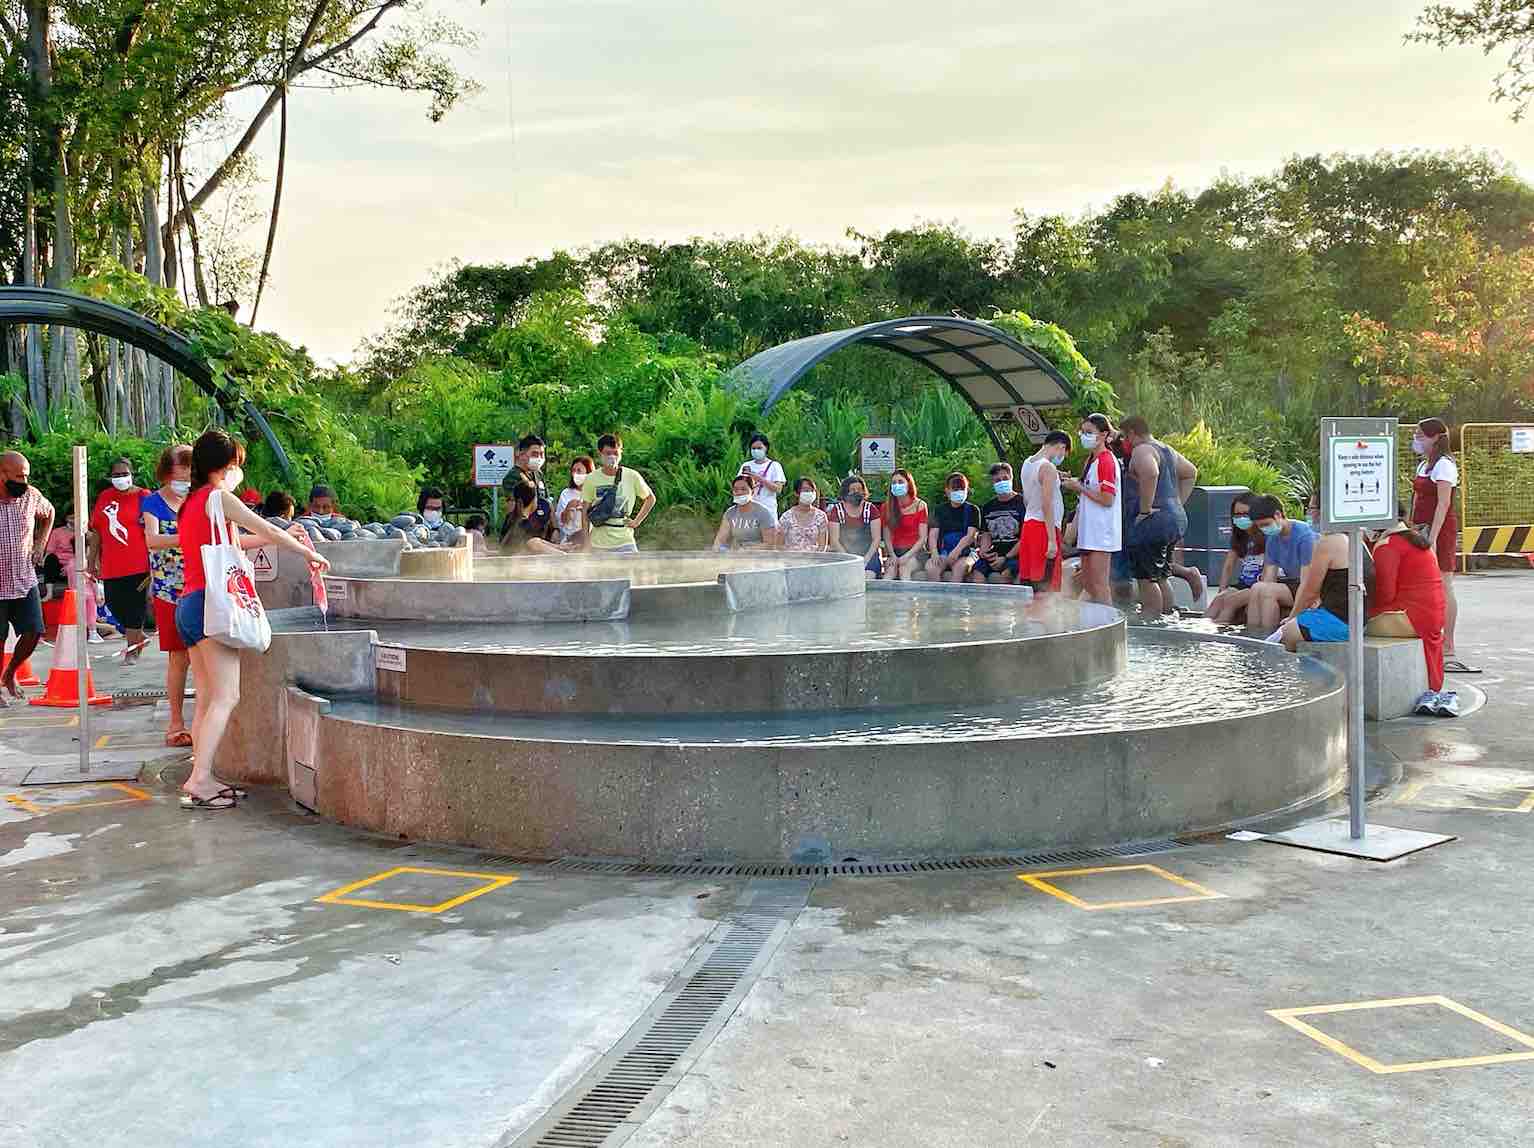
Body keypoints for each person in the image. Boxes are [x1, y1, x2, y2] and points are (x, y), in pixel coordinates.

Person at [174, 430, 329, 809]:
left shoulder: (192, 502)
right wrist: (307, 553)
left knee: (208, 698)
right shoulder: (219, 497)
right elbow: (266, 527)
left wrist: (282, 537)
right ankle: (199, 779)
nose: (237, 472)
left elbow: (235, 542)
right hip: (212, 605)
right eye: (235, 465)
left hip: (190, 605)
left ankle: (200, 773)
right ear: (225, 465)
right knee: (227, 696)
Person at [1366, 511, 1450, 714]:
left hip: (1409, 617)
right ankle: (1434, 689)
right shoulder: (1415, 539)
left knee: (1350, 620)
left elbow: (1385, 594)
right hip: (1432, 617)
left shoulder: (1388, 545)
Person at [141, 444, 194, 746]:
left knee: (205, 657)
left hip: (201, 585)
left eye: (190, 472)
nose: (185, 479)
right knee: (179, 657)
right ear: (165, 473)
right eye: (180, 472)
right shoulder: (153, 502)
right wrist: (188, 537)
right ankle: (176, 721)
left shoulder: (199, 499)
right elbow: (152, 540)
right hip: (169, 590)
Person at [1410, 417, 1472, 674]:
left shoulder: (1444, 465)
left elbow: (1443, 504)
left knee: (1445, 583)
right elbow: (1416, 498)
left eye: (1420, 435)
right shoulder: (1424, 464)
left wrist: (1433, 537)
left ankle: (1449, 643)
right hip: (1420, 527)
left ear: (1435, 437)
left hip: (1440, 529)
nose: (1416, 440)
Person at [1119, 415, 1196, 616]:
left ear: (1132, 433)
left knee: (1146, 578)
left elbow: (1150, 473)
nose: (1124, 442)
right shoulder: (1166, 449)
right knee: (1160, 575)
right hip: (1175, 519)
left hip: (1153, 523)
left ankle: (1151, 619)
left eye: (1124, 437)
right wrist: (1177, 502)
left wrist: (1145, 510)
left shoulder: (1142, 450)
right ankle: (1166, 617)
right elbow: (1190, 472)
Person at [0, 451, 54, 704]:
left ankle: (10, 673)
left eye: (26, 476)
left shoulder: (31, 496)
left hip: (23, 577)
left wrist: (41, 543)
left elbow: (49, 513)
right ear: (2, 475)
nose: (24, 481)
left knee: (34, 631)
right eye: (19, 476)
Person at [87, 456, 150, 664]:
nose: (121, 478)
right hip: (112, 564)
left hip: (139, 563)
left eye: (124, 474)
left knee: (135, 608)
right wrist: (91, 561)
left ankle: (132, 650)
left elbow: (152, 528)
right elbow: (97, 531)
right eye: (116, 475)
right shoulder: (105, 496)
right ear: (110, 477)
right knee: (113, 603)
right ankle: (139, 638)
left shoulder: (143, 496)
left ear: (132, 474)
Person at [1275, 530, 1373, 652]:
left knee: (1286, 634)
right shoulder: (1358, 541)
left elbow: (1310, 593)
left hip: (1340, 623)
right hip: (1359, 623)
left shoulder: (1329, 541)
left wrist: (1292, 617)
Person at [1061, 414, 1121, 605]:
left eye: (1089, 432)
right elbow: (1089, 487)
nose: (1083, 436)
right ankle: (1093, 618)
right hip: (1089, 531)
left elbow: (1107, 499)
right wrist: (1072, 481)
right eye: (1082, 432)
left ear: (1103, 435)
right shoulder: (1091, 460)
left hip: (1102, 532)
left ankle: (1109, 620)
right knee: (1087, 583)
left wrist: (1079, 488)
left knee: (1099, 585)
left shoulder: (1106, 460)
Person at [1245, 495, 1317, 634]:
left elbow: (1307, 581)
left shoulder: (1305, 536)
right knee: (1257, 588)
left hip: (1311, 586)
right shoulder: (1273, 538)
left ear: (1278, 515)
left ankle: (1269, 636)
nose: (1264, 529)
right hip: (1293, 583)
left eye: (1265, 524)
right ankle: (1253, 637)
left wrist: (1294, 615)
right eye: (1260, 526)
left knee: (1268, 592)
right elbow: (1268, 578)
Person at [580, 433, 655, 555]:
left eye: (615, 453)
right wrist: (586, 541)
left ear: (621, 453)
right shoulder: (591, 478)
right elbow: (584, 512)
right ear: (600, 453)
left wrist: (637, 521)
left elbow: (650, 498)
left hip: (625, 541)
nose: (612, 457)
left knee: (634, 567)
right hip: (598, 542)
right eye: (608, 453)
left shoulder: (632, 476)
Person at [1019, 432, 1071, 592]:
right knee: (1046, 587)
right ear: (1061, 447)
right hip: (1044, 528)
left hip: (1029, 525)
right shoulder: (1048, 468)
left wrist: (1057, 476)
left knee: (1031, 584)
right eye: (1063, 454)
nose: (1061, 458)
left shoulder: (1028, 463)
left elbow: (1028, 497)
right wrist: (1052, 540)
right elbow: (1046, 504)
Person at [1205, 493, 1266, 625]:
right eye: (1237, 514)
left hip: (1259, 586)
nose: (1241, 518)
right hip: (1243, 584)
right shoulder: (1240, 537)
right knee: (1219, 599)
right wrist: (1222, 590)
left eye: (1245, 514)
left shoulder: (1266, 535)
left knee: (1231, 601)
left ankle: (1219, 629)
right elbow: (1228, 566)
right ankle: (1202, 628)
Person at [971, 463, 1025, 584]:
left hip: (1016, 555)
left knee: (1005, 576)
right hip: (994, 554)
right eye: (997, 480)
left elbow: (1026, 537)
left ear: (1011, 478)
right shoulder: (988, 507)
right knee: (977, 573)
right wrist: (984, 552)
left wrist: (1005, 557)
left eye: (1005, 478)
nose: (1002, 482)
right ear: (993, 483)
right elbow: (986, 534)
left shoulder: (1023, 503)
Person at [924, 472, 981, 581]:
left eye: (962, 488)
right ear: (947, 491)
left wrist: (956, 552)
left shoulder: (973, 510)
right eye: (955, 489)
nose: (959, 491)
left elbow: (971, 536)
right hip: (944, 551)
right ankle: (936, 592)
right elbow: (933, 535)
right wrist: (934, 553)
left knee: (960, 568)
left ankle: (954, 592)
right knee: (931, 568)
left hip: (966, 553)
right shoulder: (939, 510)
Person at [827, 475, 883, 577]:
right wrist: (850, 560)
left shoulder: (871, 509)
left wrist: (866, 560)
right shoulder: (837, 510)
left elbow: (876, 539)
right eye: (853, 489)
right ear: (846, 492)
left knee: (868, 575)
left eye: (859, 489)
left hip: (868, 555)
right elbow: (834, 540)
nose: (856, 492)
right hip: (844, 555)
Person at [882, 469, 929, 581]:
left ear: (909, 484)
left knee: (904, 568)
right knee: (890, 572)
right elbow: (887, 537)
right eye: (894, 483)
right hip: (895, 551)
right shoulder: (886, 507)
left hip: (915, 552)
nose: (897, 485)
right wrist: (893, 555)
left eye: (900, 482)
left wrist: (906, 556)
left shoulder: (920, 505)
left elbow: (923, 538)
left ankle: (906, 593)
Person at [501, 480, 566, 555]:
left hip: (529, 555)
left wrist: (559, 546)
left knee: (534, 542)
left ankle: (564, 553)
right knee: (533, 543)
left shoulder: (517, 516)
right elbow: (531, 543)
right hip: (516, 558)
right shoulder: (516, 519)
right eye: (535, 498)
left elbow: (538, 540)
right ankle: (564, 556)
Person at [714, 475, 777, 551]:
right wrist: (717, 549)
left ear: (752, 492)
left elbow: (770, 544)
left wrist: (746, 550)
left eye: (743, 489)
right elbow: (720, 539)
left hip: (758, 555)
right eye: (736, 490)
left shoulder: (763, 513)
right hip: (736, 554)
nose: (739, 492)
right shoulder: (730, 513)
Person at [737, 432, 786, 525]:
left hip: (768, 510)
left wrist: (759, 478)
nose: (756, 451)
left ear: (766, 448)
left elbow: (778, 489)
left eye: (759, 448)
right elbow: (738, 487)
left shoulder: (774, 466)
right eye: (753, 448)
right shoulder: (746, 465)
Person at [778, 477, 830, 552]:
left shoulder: (821, 516)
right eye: (806, 490)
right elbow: (779, 545)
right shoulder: (787, 517)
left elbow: (822, 546)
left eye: (812, 490)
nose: (809, 493)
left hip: (815, 557)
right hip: (791, 557)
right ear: (796, 493)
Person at [501, 434, 549, 511]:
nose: (539, 458)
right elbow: (513, 509)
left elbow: (546, 500)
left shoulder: (538, 473)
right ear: (521, 454)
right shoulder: (512, 477)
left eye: (542, 454)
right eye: (535, 454)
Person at [555, 456, 593, 547]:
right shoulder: (566, 493)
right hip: (570, 540)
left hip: (592, 540)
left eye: (579, 471)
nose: (575, 474)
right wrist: (568, 507)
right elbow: (561, 523)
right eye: (573, 470)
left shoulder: (594, 493)